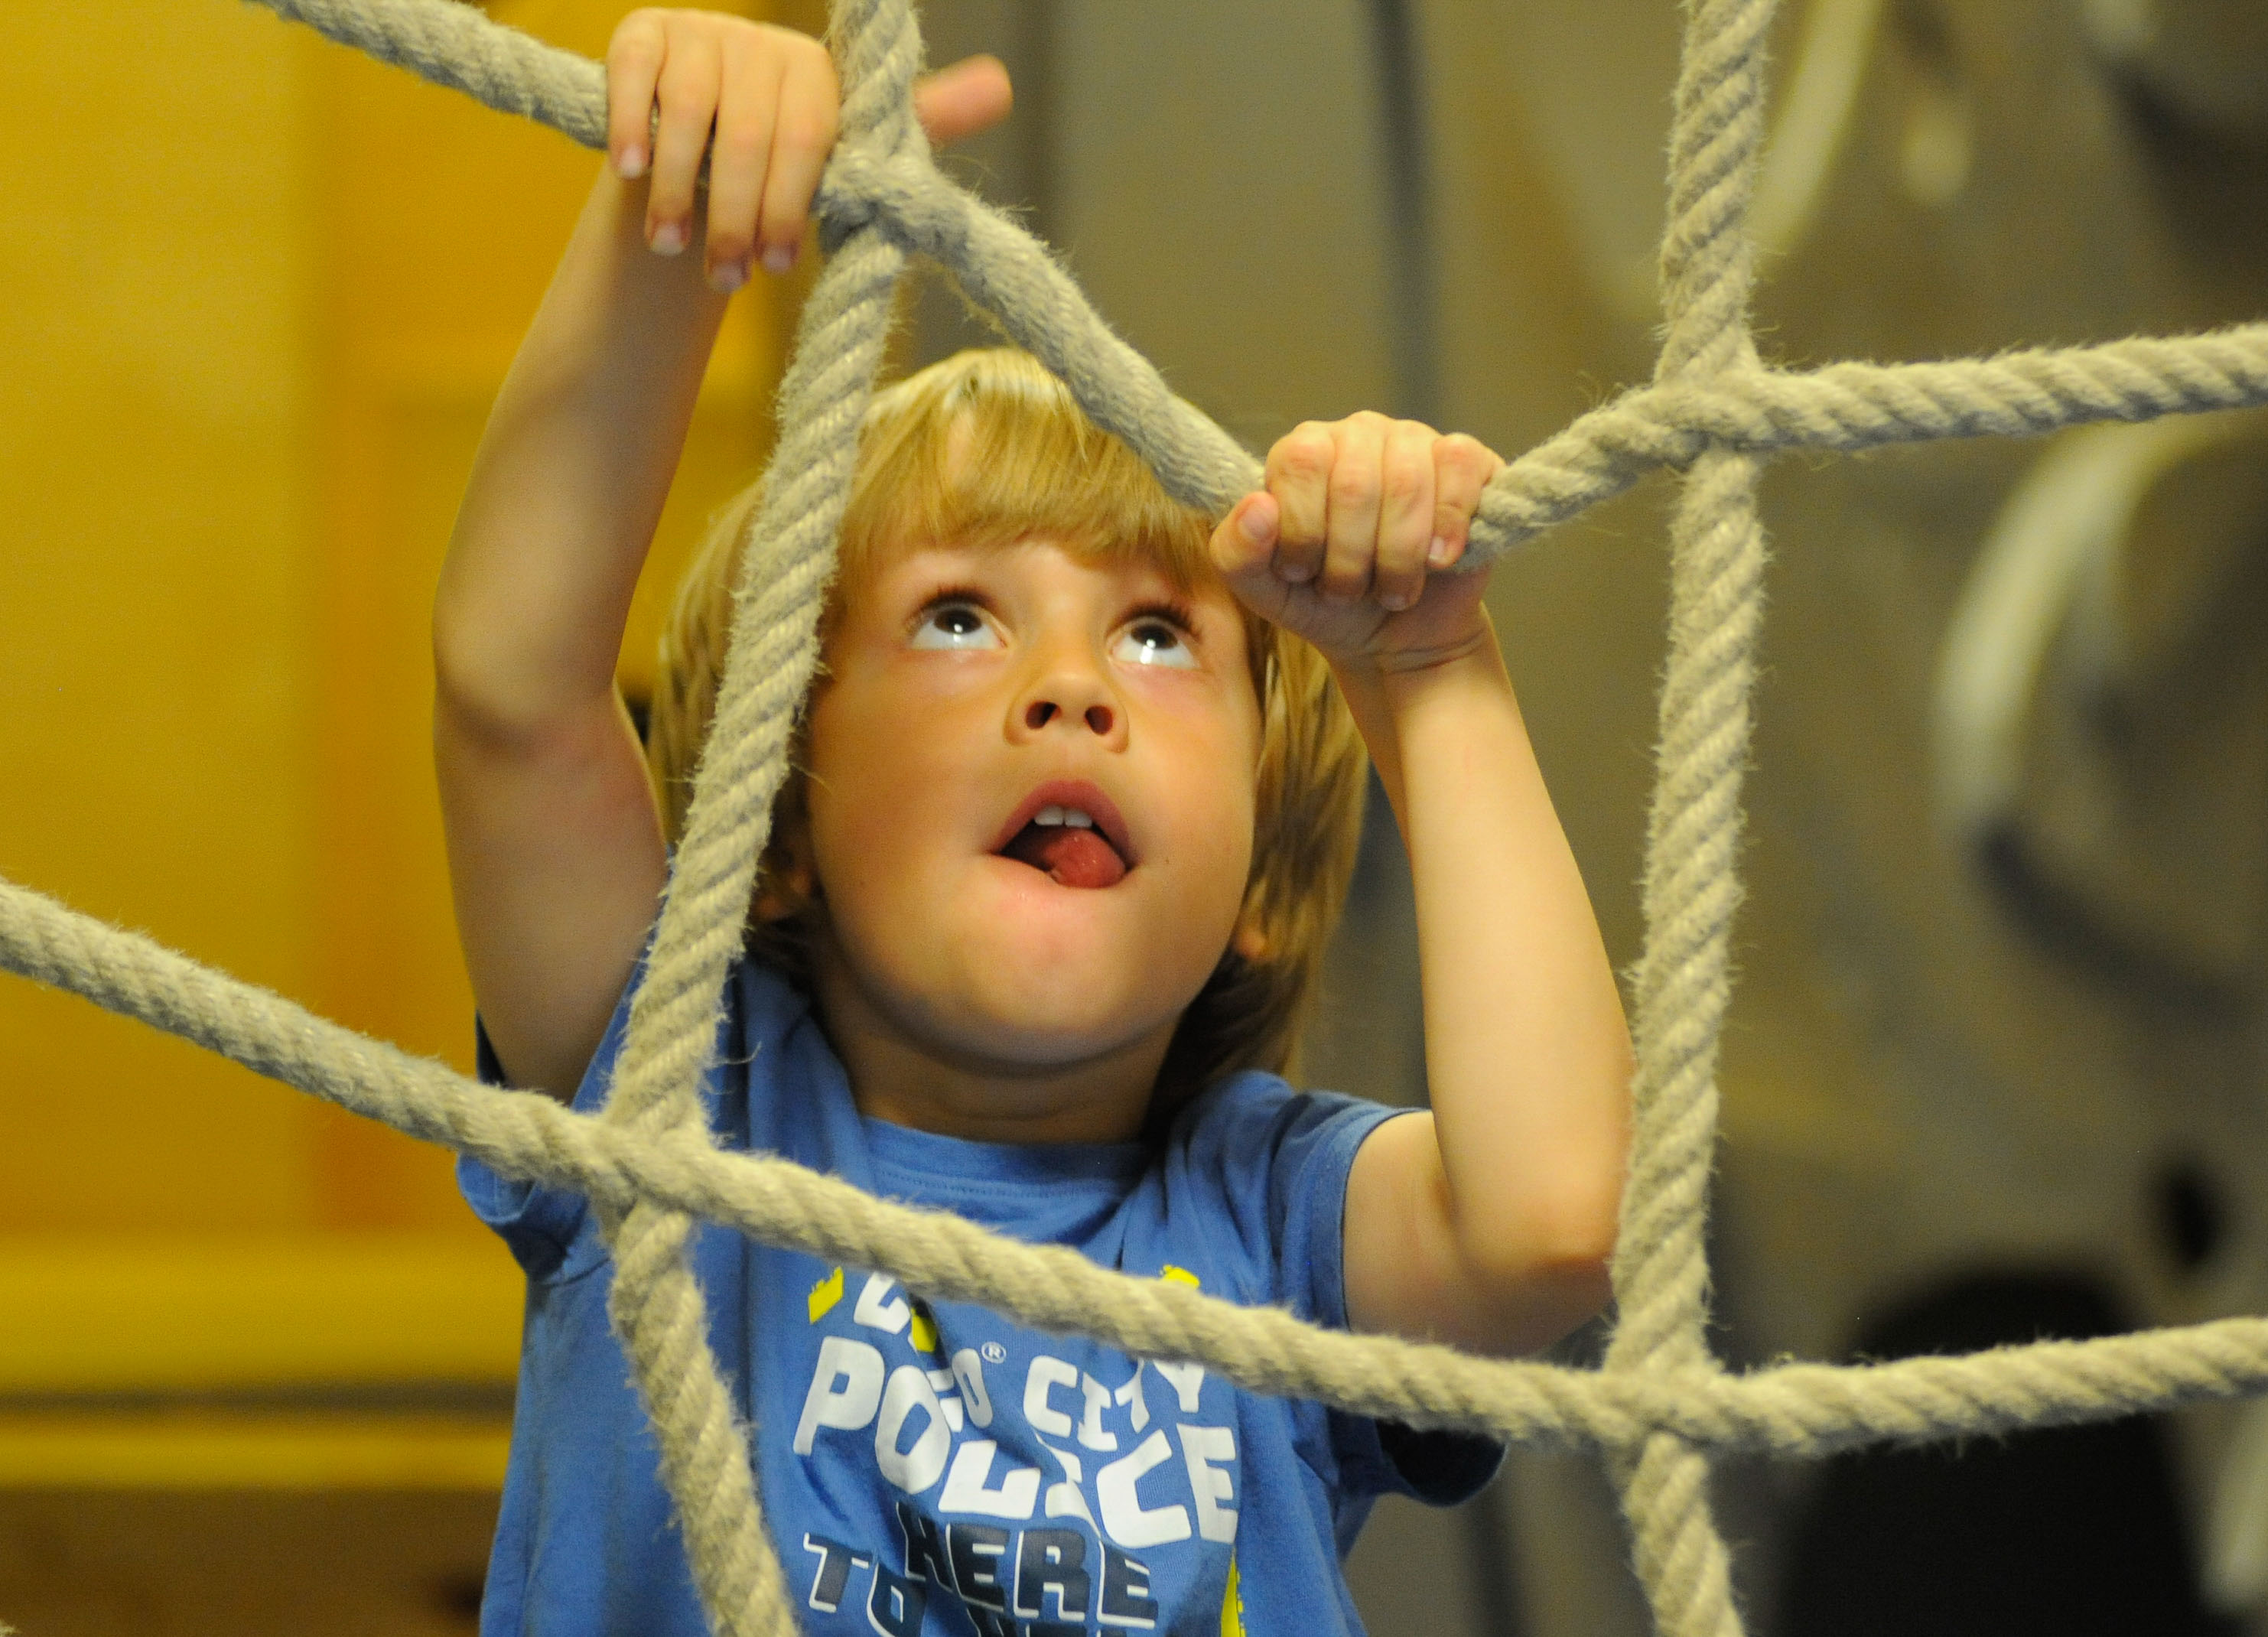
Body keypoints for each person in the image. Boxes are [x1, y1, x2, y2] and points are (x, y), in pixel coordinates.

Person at [436, 12, 1633, 1633]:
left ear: (1262, 880)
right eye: (956, 618)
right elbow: (515, 690)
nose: (1075, 688)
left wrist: (1426, 661)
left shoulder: (1271, 1216)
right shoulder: (675, 1100)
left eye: (1157, 635)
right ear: (774, 823)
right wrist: (682, 215)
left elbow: (1553, 1218)